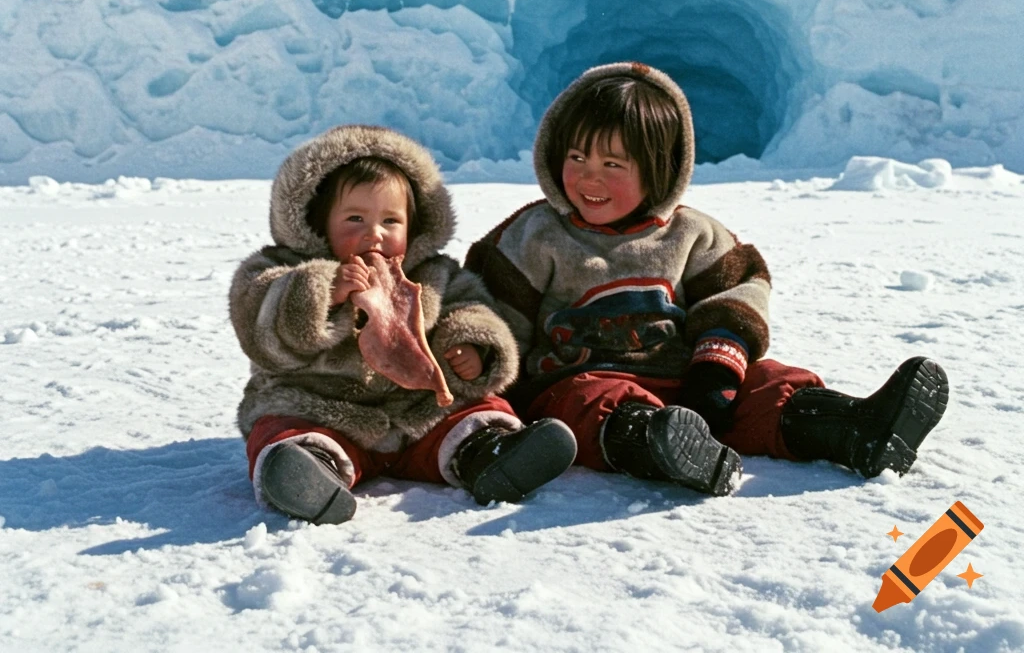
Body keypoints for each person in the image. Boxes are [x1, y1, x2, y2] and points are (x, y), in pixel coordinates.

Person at [466, 62, 948, 496]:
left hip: (686, 379)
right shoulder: (534, 235)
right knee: (587, 403)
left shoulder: (691, 233)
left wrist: (716, 370)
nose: (589, 179)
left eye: (612, 165)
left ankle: (854, 428)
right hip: (578, 380)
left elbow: (739, 290)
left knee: (765, 383)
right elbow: (490, 312)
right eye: (577, 159)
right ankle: (658, 447)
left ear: (660, 170)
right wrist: (485, 364)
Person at [230, 123, 576, 524]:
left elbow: (470, 308)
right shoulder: (281, 268)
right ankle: (305, 472)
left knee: (474, 410)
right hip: (321, 408)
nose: (373, 235)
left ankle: (489, 452)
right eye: (355, 219)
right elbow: (257, 322)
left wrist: (474, 347)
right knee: (280, 429)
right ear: (317, 222)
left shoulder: (433, 275)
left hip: (418, 413)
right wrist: (323, 290)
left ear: (415, 226)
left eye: (390, 221)